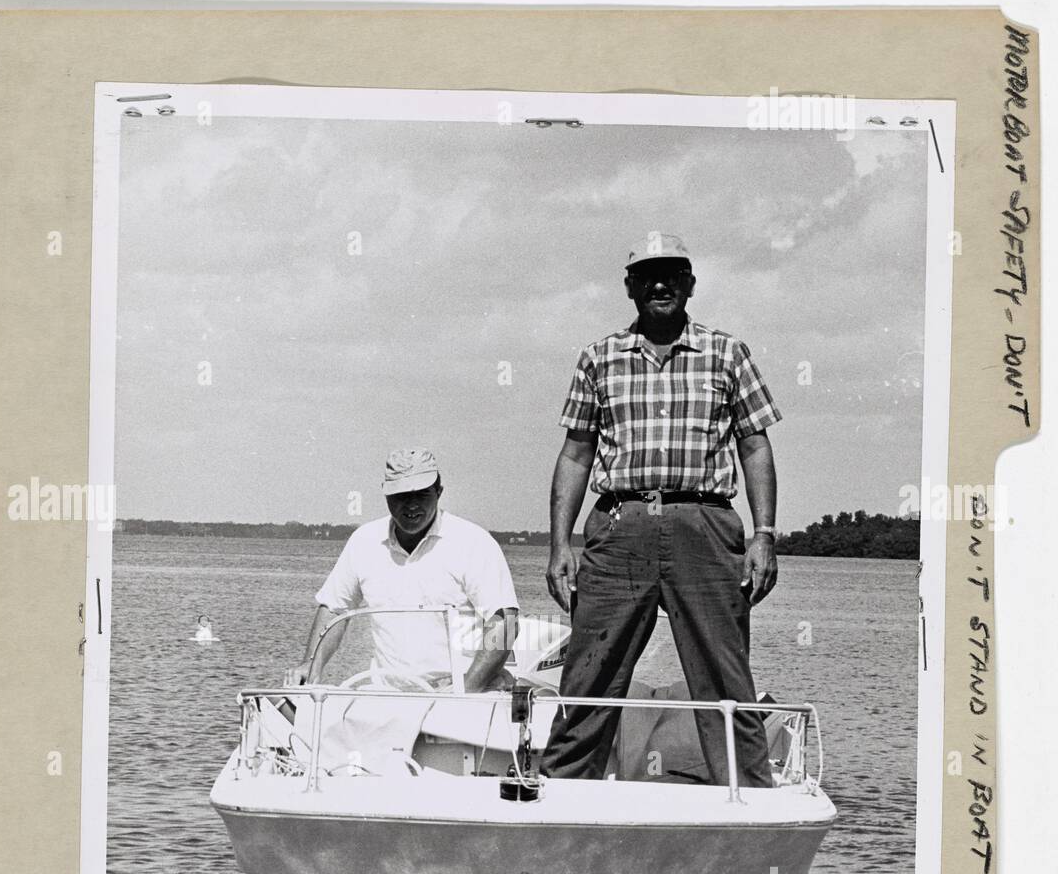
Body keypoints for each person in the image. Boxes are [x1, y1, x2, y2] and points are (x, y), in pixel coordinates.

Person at [539, 234, 780, 787]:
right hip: (620, 524)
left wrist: (764, 533)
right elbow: (576, 453)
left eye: (672, 273)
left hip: (706, 523)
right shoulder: (599, 358)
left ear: (691, 282)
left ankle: (749, 799)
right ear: (630, 288)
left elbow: (755, 446)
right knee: (590, 670)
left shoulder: (728, 352)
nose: (660, 284)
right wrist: (560, 545)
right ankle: (559, 795)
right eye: (647, 275)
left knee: (725, 675)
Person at [285, 449, 519, 693]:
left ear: (439, 492)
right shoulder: (364, 541)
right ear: (386, 495)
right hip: (388, 692)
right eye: (401, 495)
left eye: (422, 494)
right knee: (286, 710)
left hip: (463, 691)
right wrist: (309, 665)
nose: (411, 505)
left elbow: (505, 621)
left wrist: (466, 689)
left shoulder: (472, 542)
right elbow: (334, 608)